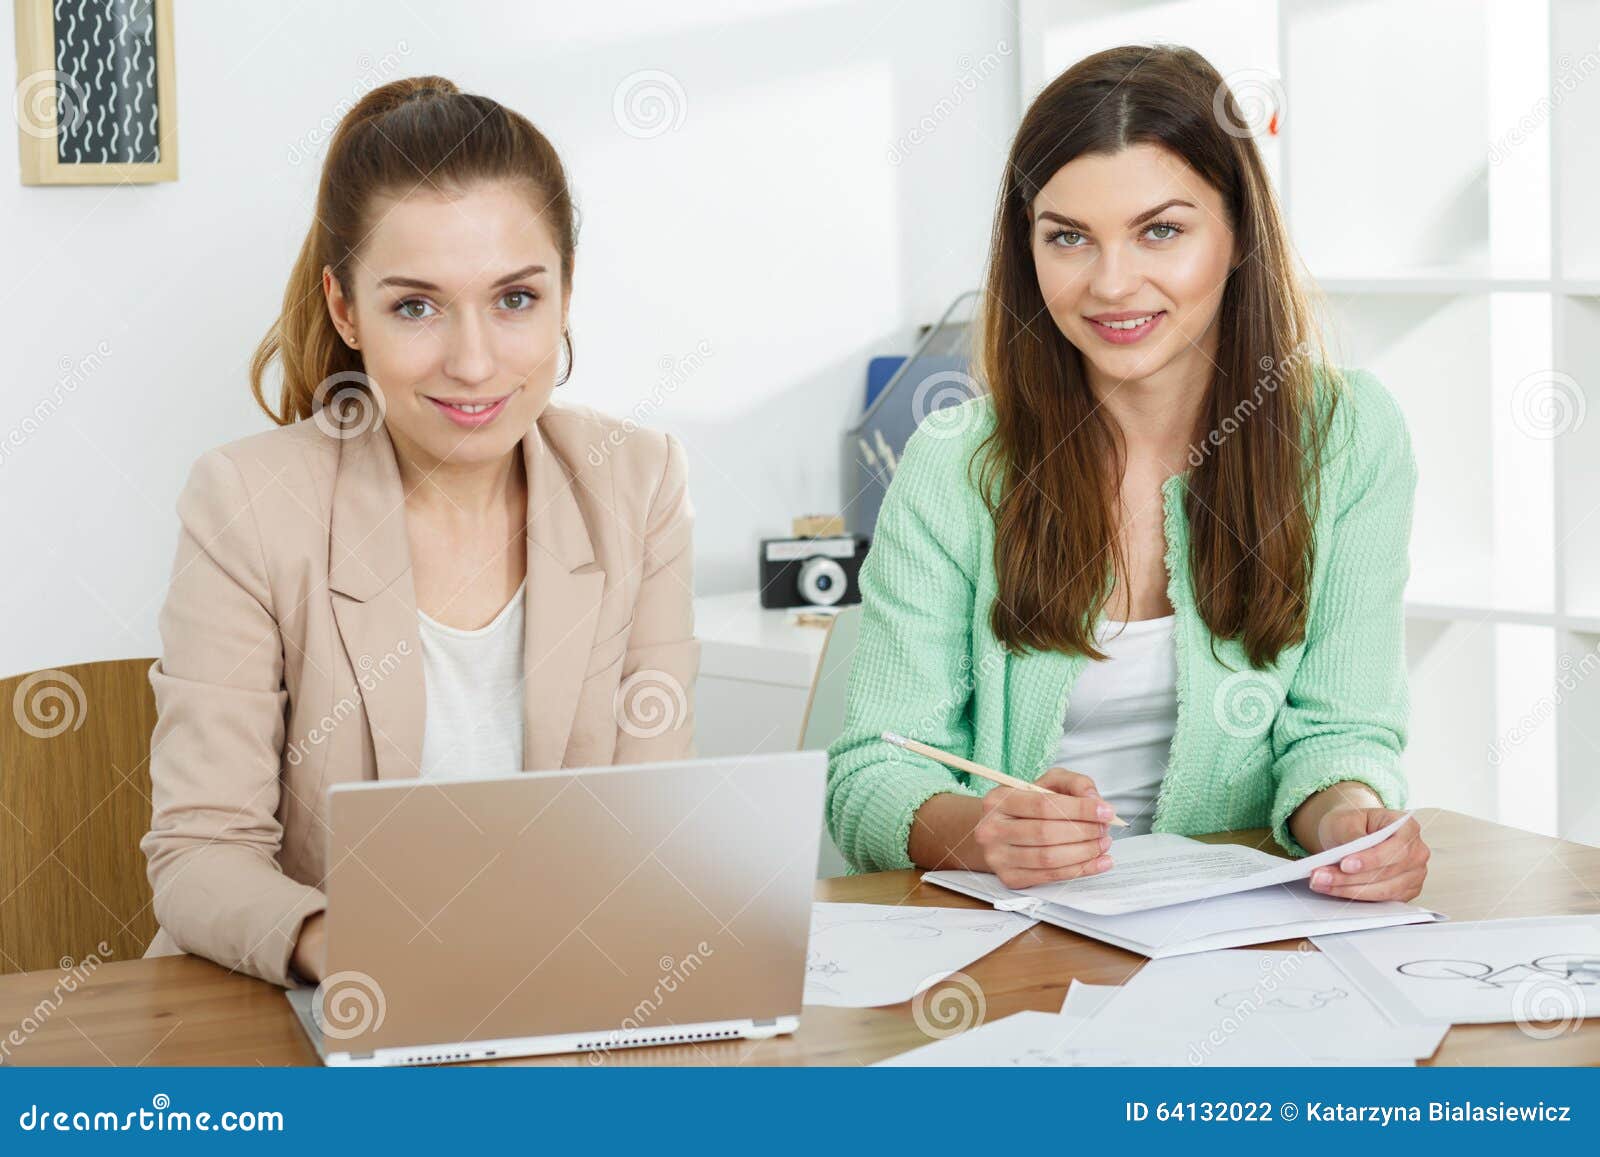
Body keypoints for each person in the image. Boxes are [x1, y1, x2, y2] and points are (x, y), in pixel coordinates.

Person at [827, 45, 1429, 902]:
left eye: (1161, 231)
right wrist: (982, 833)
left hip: (1247, 932)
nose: (1112, 284)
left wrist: (1350, 819)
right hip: (1016, 949)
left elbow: (1342, 733)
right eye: (1068, 238)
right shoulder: (955, 464)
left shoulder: (1350, 437)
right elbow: (870, 774)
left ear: (1238, 234)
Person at [140, 77, 698, 987]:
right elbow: (201, 854)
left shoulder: (636, 481)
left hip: (567, 999)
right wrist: (344, 947)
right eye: (415, 306)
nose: (473, 362)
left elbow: (647, 820)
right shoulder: (244, 499)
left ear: (564, 296)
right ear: (345, 308)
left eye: (515, 299)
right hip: (317, 1018)